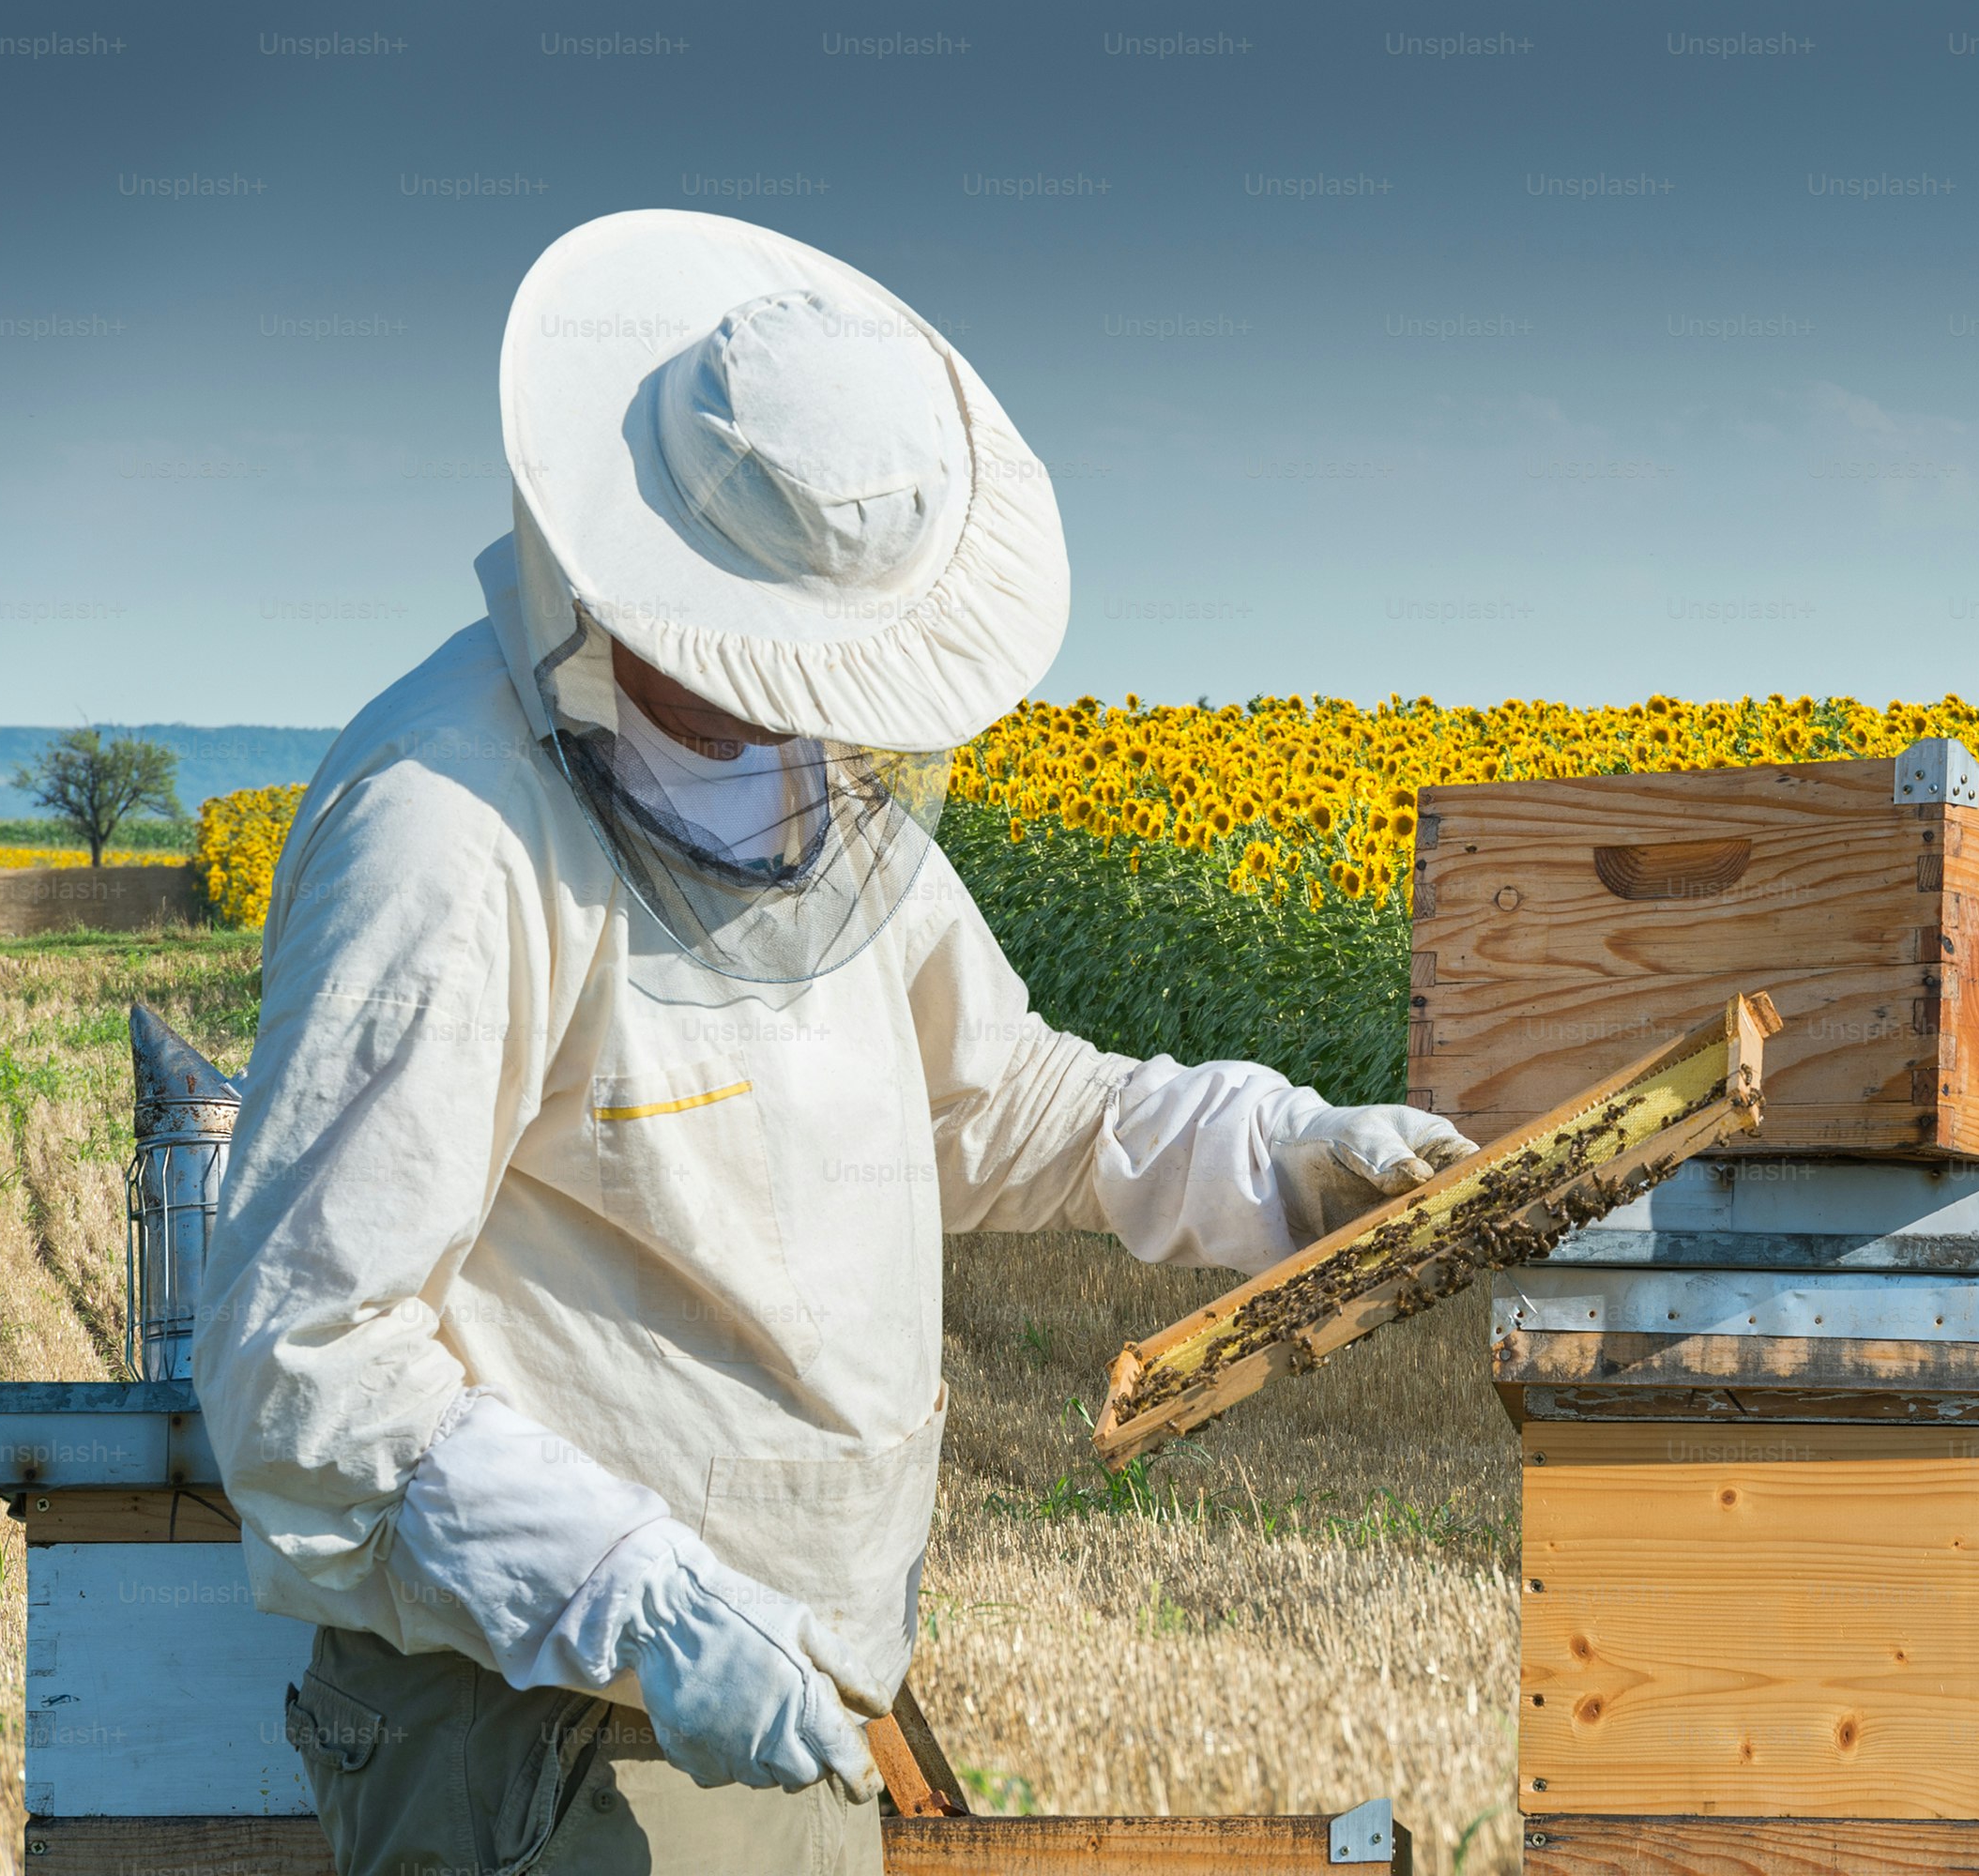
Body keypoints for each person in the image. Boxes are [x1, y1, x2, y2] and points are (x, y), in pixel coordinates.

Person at [192, 209, 1475, 1876]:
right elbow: (310, 1359)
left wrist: (1283, 1157)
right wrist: (631, 1597)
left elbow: (997, 1100)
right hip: (551, 1734)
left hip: (777, 1713)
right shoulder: (447, 834)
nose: (804, 700)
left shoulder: (799, 784)